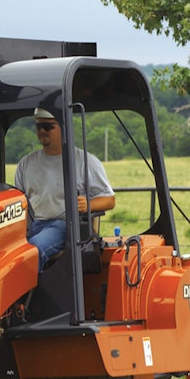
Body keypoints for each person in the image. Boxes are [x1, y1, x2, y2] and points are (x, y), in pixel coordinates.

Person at [13, 108, 115, 270]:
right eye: (38, 126)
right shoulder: (25, 164)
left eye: (47, 126)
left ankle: (24, 295)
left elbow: (109, 199)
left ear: (64, 126)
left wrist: (88, 205)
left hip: (63, 226)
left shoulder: (86, 162)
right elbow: (17, 201)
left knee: (33, 250)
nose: (42, 131)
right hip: (31, 226)